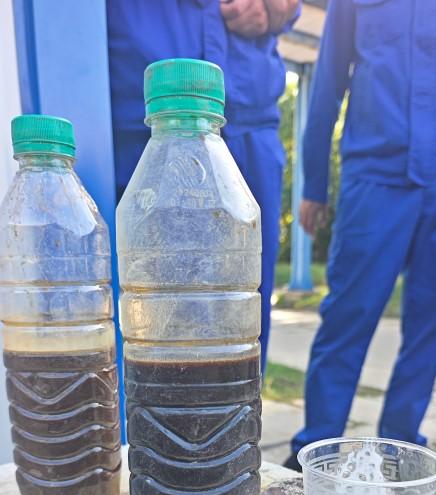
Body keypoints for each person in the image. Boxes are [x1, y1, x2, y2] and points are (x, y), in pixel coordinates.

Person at [284, 0, 436, 471]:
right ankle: (315, 453)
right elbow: (328, 82)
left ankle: (399, 452)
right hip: (375, 177)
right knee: (348, 315)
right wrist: (314, 183)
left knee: (432, 321)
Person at [107, 0, 299, 374]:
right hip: (139, 118)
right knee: (142, 317)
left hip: (247, 116)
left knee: (241, 318)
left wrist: (278, 7)